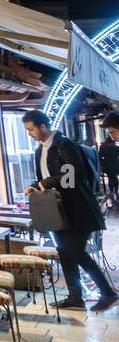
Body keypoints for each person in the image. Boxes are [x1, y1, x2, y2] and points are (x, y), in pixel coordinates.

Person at [24, 109, 118, 311]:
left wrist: (47, 182)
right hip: (57, 211)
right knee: (64, 252)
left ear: (43, 126)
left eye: (31, 129)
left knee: (74, 251)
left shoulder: (64, 145)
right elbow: (43, 178)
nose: (29, 134)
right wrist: (35, 185)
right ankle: (75, 297)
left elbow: (75, 175)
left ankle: (108, 293)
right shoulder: (40, 151)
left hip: (78, 208)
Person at [99, 114, 119, 206]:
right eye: (109, 133)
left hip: (111, 168)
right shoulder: (111, 145)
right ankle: (113, 193)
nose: (111, 136)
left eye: (113, 132)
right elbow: (101, 157)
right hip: (112, 168)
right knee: (113, 181)